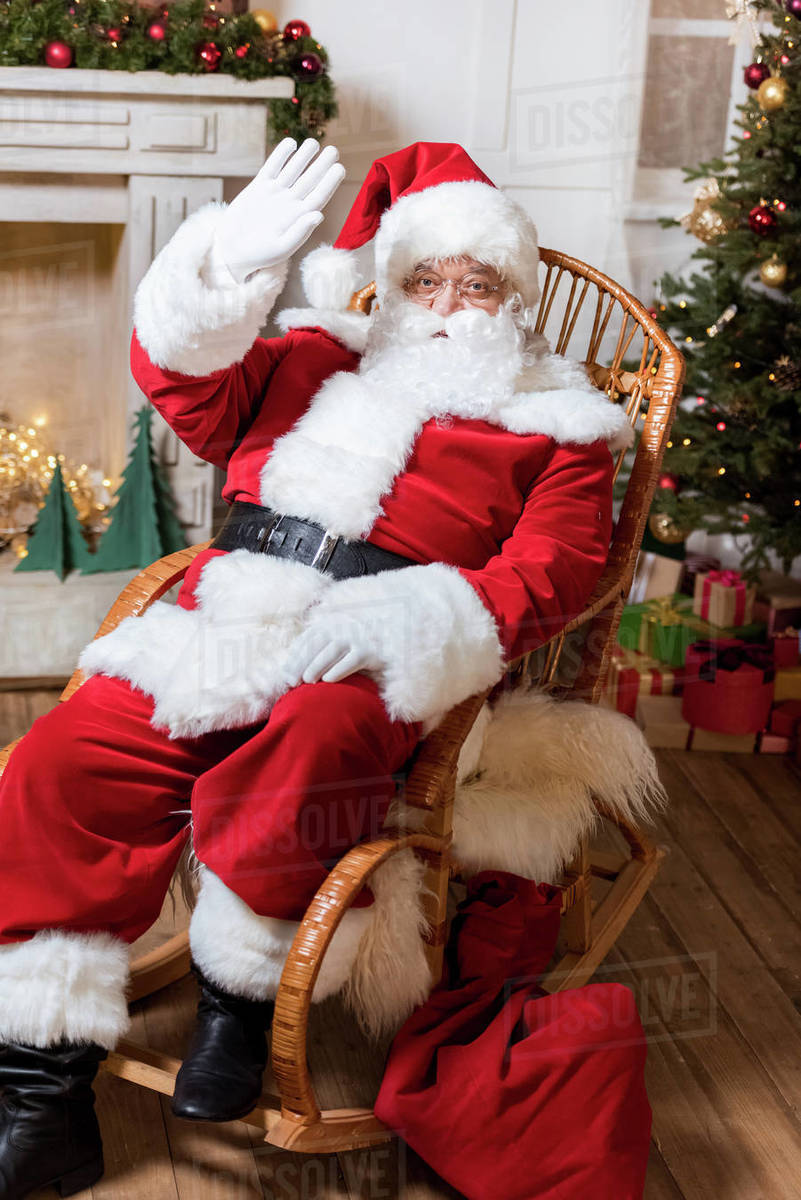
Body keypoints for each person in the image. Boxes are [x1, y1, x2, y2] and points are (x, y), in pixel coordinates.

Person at [0, 139, 633, 1198]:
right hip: (220, 618)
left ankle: (237, 1002)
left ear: (515, 298)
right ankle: (39, 1084)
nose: (449, 302)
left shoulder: (559, 428)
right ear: (385, 285)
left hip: (387, 651)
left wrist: (419, 610)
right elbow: (181, 388)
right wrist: (219, 277)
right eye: (426, 277)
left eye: (479, 283)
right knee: (65, 758)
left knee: (319, 736)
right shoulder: (307, 359)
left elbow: (561, 568)